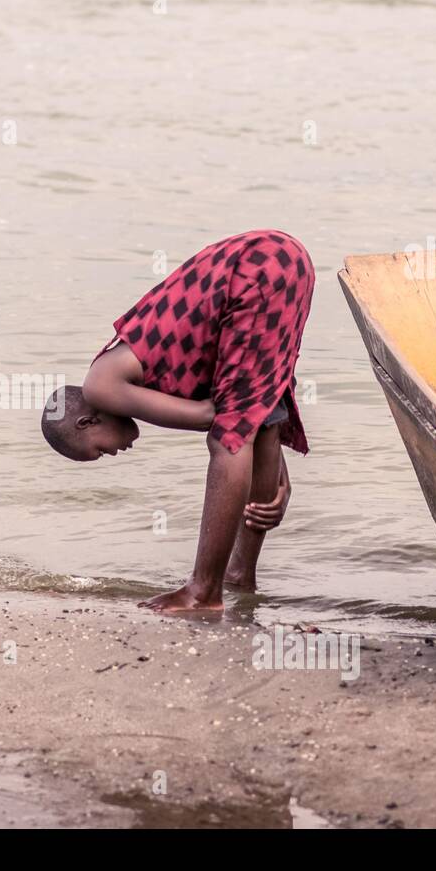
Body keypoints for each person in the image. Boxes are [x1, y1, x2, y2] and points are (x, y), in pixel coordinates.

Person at [40, 229, 315, 611]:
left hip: (253, 269)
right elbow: (251, 411)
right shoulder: (127, 365)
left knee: (226, 440)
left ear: (86, 422)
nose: (114, 454)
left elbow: (215, 417)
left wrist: (247, 427)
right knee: (241, 429)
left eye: (99, 452)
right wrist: (275, 477)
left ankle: (203, 592)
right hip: (280, 259)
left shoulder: (100, 384)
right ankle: (239, 576)